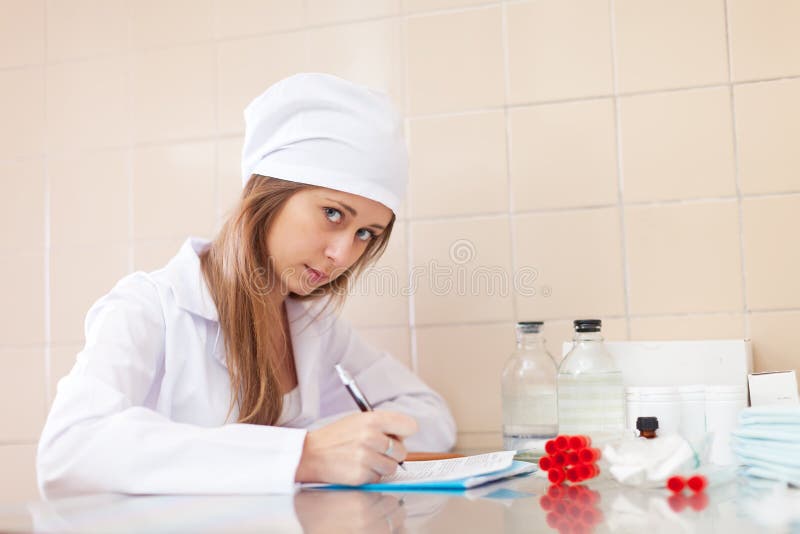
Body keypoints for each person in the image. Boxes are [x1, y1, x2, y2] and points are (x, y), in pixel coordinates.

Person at [36, 73, 457, 498]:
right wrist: (303, 454)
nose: (343, 254)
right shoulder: (150, 307)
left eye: (366, 233)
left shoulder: (313, 328)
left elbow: (430, 416)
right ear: (267, 195)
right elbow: (68, 451)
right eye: (333, 213)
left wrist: (344, 443)